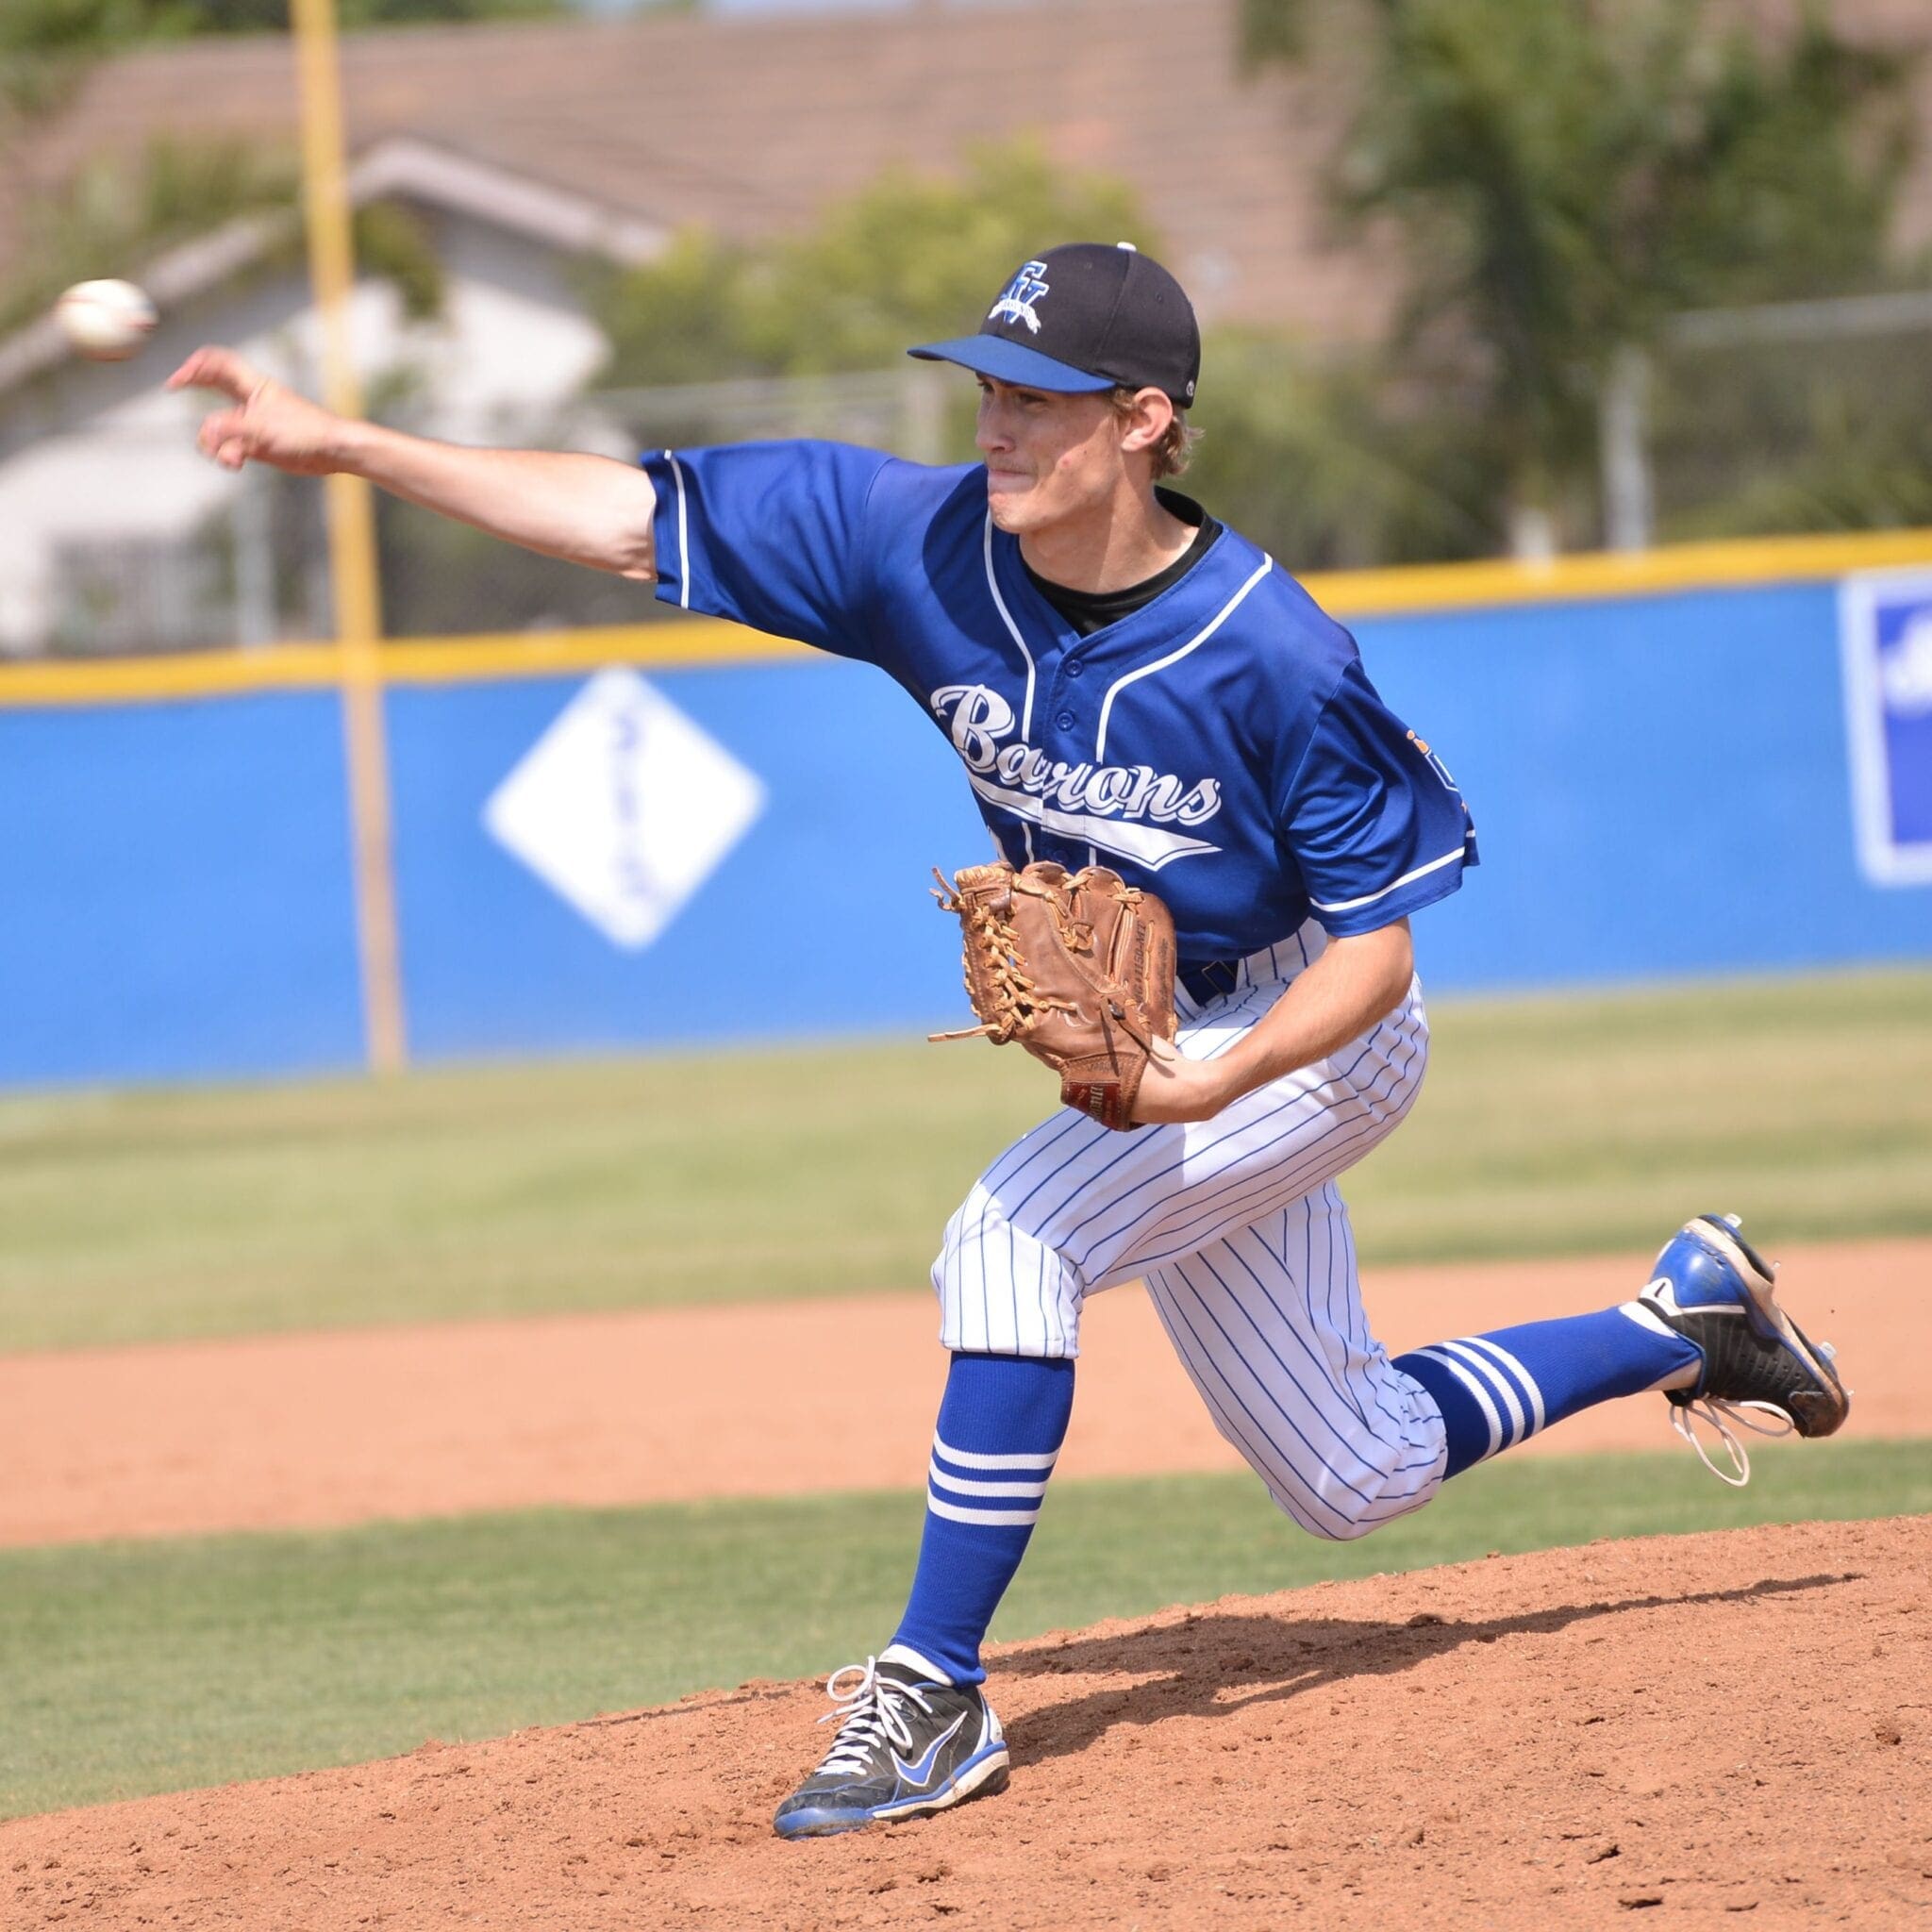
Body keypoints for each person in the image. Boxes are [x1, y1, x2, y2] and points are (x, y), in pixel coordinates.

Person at [173, 241, 1848, 1842]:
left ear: (1145, 422)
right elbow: (623, 521)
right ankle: (1678, 1312)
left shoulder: (1274, 651)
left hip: (1303, 1025)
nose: (996, 424)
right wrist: (344, 443)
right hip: (1158, 1038)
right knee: (1355, 1471)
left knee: (1007, 1237)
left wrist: (1222, 1071)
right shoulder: (917, 544)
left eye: (1040, 397)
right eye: (986, 386)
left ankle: (934, 1689)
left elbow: (1382, 958)